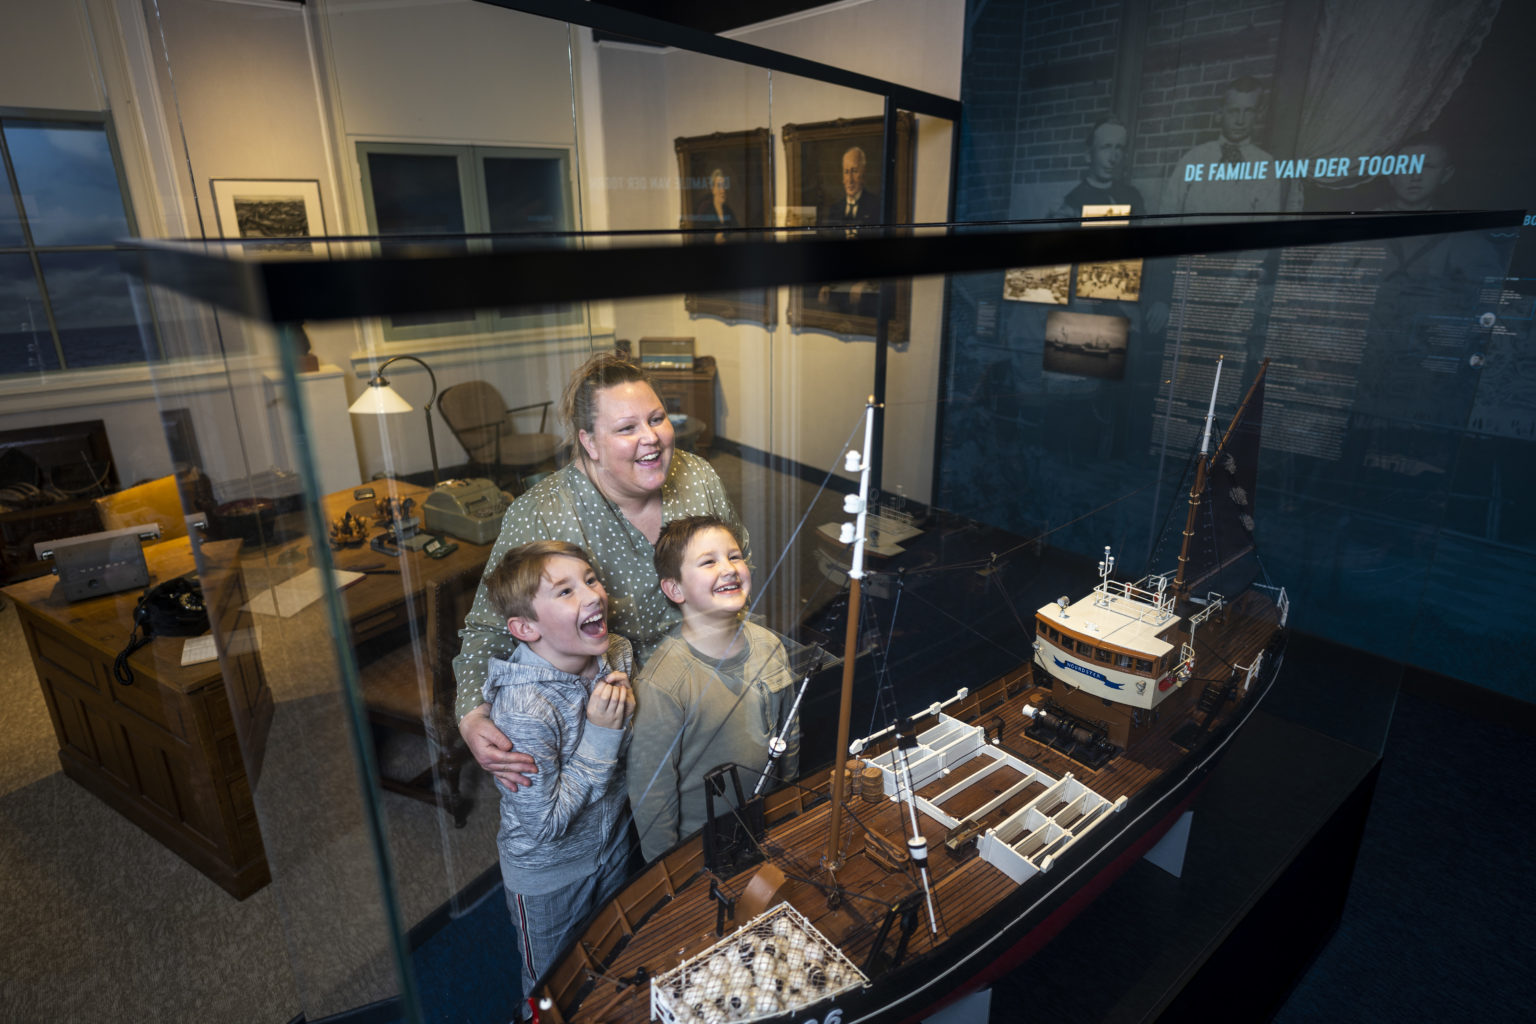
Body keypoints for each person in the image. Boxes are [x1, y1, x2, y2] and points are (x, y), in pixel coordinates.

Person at [454, 354, 749, 788]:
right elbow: (490, 626)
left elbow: (736, 564)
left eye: (657, 418)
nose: (650, 438)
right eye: (627, 428)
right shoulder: (542, 514)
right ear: (589, 443)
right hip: (613, 723)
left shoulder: (698, 476)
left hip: (709, 680)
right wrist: (471, 713)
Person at [479, 540, 635, 1013]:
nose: (592, 595)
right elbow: (545, 825)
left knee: (613, 957)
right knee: (551, 990)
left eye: (590, 580)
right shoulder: (526, 709)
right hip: (550, 876)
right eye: (565, 591)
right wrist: (602, 735)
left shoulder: (618, 654)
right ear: (525, 628)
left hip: (613, 845)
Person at [627, 515, 800, 861]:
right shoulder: (662, 684)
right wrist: (670, 873)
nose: (729, 568)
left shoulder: (769, 645)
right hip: (703, 850)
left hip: (772, 824)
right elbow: (652, 796)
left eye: (734, 556)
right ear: (675, 589)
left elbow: (790, 734)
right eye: (708, 561)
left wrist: (794, 808)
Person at [1160, 76, 1281, 216]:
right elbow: (1168, 210)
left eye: (1248, 111)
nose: (1240, 121)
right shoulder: (1194, 158)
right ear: (1219, 114)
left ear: (1258, 115)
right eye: (1233, 111)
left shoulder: (1266, 164)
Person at [1051, 116, 1146, 217]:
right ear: (1089, 155)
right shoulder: (1073, 202)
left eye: (1119, 148)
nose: (1112, 159)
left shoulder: (1132, 196)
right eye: (1105, 147)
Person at [819, 145, 881, 236]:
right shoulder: (834, 210)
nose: (850, 179)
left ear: (864, 174)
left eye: (855, 171)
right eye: (846, 172)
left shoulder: (876, 206)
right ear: (842, 178)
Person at [690, 167, 738, 242]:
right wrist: (714, 238)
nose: (723, 190)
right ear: (713, 189)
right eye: (719, 186)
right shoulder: (705, 210)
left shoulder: (728, 211)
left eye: (724, 185)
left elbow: (737, 231)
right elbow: (699, 235)